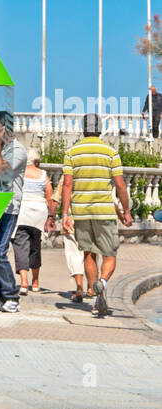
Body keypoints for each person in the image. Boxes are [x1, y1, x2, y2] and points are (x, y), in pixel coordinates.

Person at [61, 113, 133, 317]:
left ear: (83, 129)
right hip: (104, 211)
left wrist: (65, 213)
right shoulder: (110, 152)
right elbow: (120, 185)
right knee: (110, 254)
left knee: (88, 254)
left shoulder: (72, 152)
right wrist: (126, 212)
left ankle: (95, 297)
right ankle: (102, 283)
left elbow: (67, 184)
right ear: (100, 129)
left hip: (82, 212)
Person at [0, 110, 27, 313]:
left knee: (0, 252)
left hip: (9, 206)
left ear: (3, 128)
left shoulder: (17, 150)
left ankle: (11, 295)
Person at [12, 148, 54, 293]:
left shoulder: (20, 173)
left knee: (20, 245)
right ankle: (35, 282)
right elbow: (50, 197)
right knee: (35, 246)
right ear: (36, 161)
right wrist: (51, 216)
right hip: (39, 213)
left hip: (23, 211)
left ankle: (23, 282)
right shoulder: (43, 175)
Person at [51, 172, 87, 302]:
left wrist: (51, 216)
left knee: (75, 254)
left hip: (71, 220)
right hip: (92, 219)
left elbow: (57, 196)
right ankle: (93, 288)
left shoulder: (70, 170)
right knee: (90, 254)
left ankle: (79, 287)